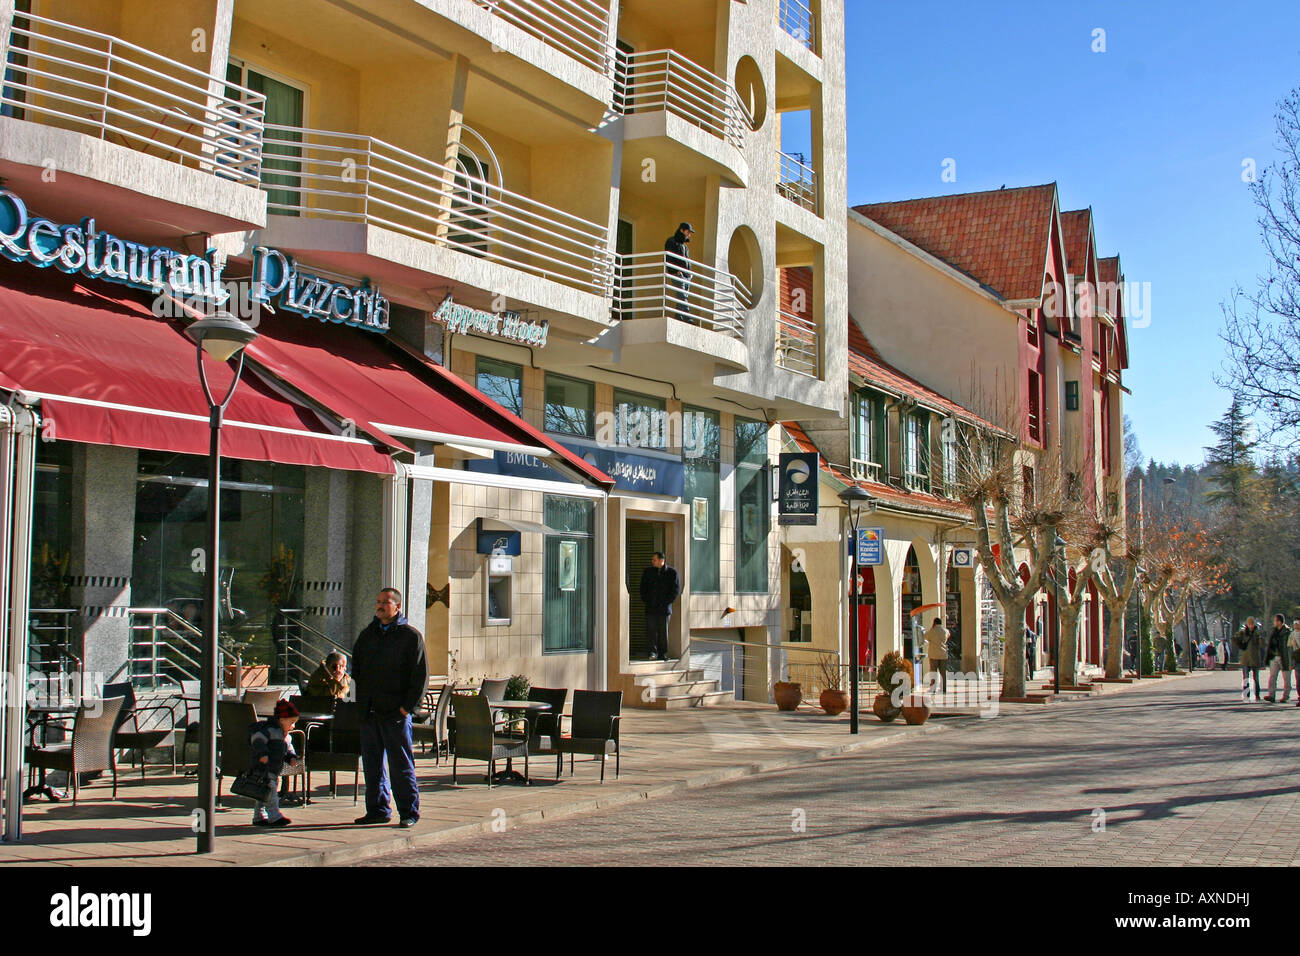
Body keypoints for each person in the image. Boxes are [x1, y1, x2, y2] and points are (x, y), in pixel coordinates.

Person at [351, 588, 428, 828]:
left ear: (398, 606)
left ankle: (408, 812)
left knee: (401, 765)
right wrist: (359, 703)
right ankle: (377, 810)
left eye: (386, 602)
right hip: (370, 712)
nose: (380, 606)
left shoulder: (410, 637)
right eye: (378, 601)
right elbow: (358, 671)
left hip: (395, 713)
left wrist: (406, 709)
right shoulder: (367, 635)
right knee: (372, 766)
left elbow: (420, 678)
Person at [248, 699, 300, 828]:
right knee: (271, 793)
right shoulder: (270, 731)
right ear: (282, 720)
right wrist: (262, 754)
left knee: (262, 794)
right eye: (291, 722)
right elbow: (257, 739)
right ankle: (274, 816)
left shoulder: (286, 736)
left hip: (273, 769)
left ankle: (258, 816)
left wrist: (291, 757)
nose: (293, 726)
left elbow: (288, 748)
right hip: (264, 768)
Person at [639, 551, 681, 662]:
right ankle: (652, 652)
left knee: (663, 632)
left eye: (654, 560)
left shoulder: (672, 573)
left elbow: (675, 590)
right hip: (651, 607)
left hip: (664, 609)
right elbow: (643, 588)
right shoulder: (648, 572)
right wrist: (647, 600)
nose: (652, 562)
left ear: (661, 560)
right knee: (651, 631)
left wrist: (667, 602)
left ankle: (663, 653)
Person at [663, 222, 694, 322]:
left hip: (686, 276)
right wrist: (675, 271)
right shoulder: (671, 241)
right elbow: (669, 258)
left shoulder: (685, 246)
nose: (689, 234)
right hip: (678, 274)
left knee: (681, 298)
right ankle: (688, 318)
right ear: (682, 230)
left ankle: (678, 317)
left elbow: (687, 260)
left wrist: (690, 273)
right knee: (682, 297)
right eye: (688, 232)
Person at [1264, 614, 1292, 703]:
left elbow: (1291, 647)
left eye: (1275, 621)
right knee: (1272, 677)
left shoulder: (1288, 632)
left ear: (1279, 622)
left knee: (1286, 678)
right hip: (1274, 657)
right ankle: (1271, 695)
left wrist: (1292, 660)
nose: (1274, 623)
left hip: (1285, 658)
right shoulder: (1273, 631)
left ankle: (1286, 696)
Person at [1235, 617, 1264, 702]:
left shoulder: (1257, 633)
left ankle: (1257, 695)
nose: (1251, 626)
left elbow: (1261, 645)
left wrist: (1260, 637)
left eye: (1252, 624)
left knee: (1256, 678)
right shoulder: (1243, 633)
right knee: (1246, 678)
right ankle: (1246, 695)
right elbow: (1237, 641)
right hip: (1246, 658)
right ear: (1247, 624)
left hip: (1255, 658)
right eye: (1249, 624)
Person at [924, 617, 949, 695]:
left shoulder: (932, 631)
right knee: (943, 673)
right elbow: (948, 635)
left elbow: (926, 637)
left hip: (934, 655)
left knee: (933, 672)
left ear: (934, 623)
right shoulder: (945, 631)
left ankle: (933, 688)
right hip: (943, 654)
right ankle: (944, 688)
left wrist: (932, 628)